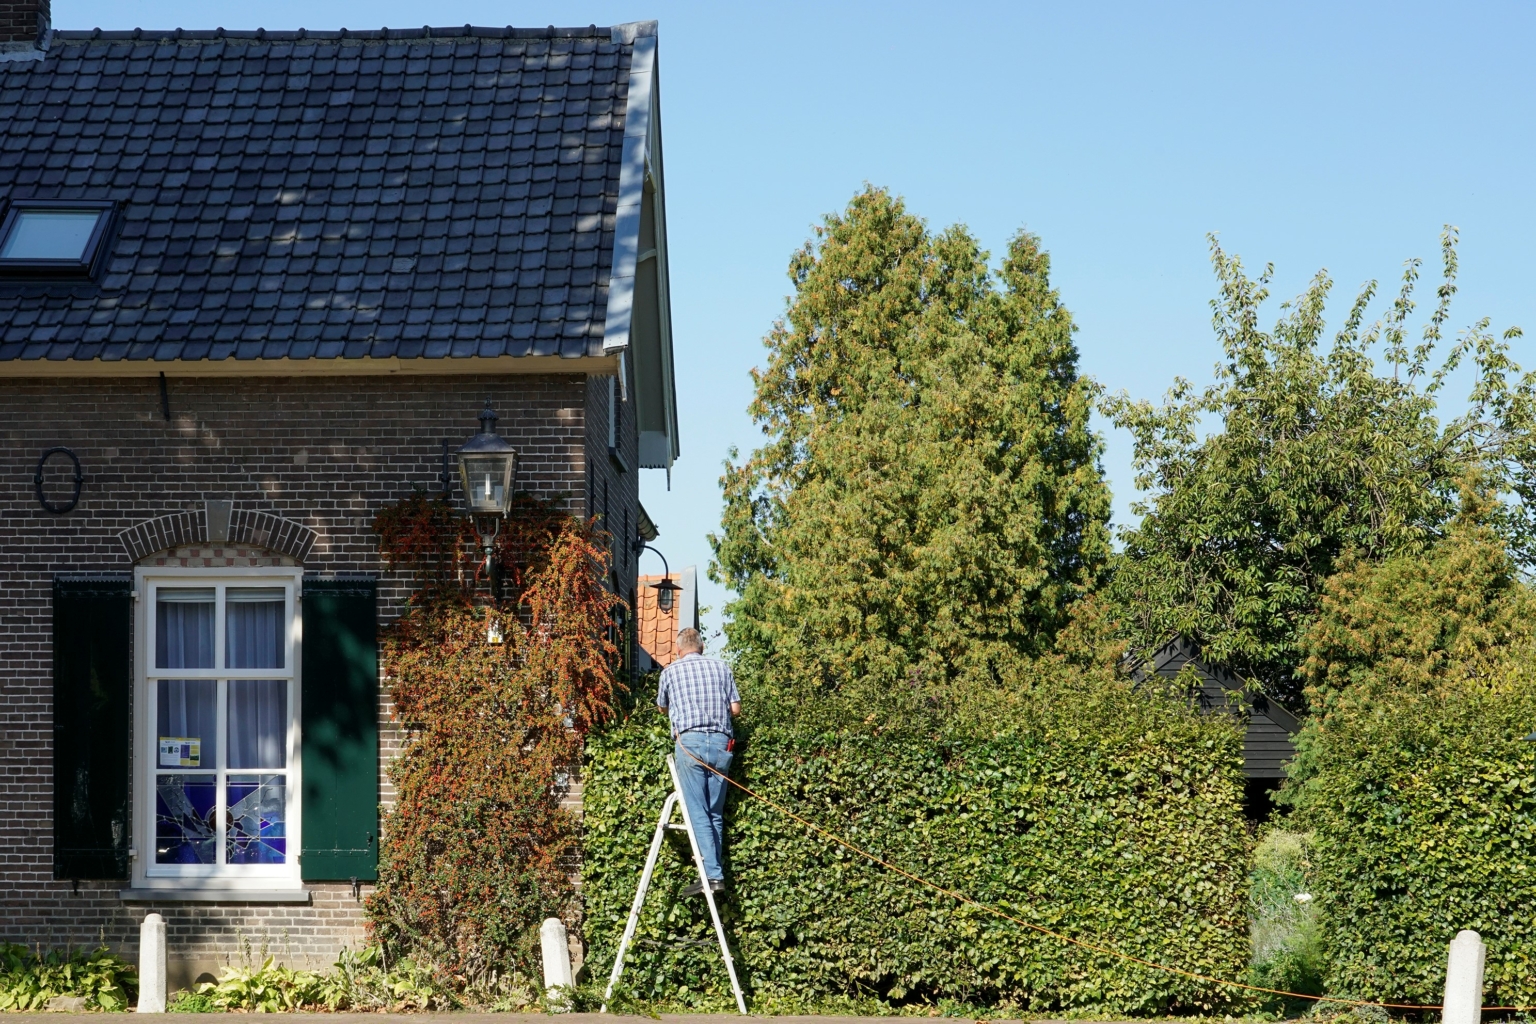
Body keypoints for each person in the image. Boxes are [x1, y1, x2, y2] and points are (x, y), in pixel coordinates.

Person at [656, 627, 741, 896]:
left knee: (697, 813)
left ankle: (713, 877)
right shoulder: (722, 667)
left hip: (690, 744)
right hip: (720, 744)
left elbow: (662, 707)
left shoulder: (670, 671)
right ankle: (714, 872)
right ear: (702, 647)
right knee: (713, 813)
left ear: (679, 649)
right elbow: (735, 709)